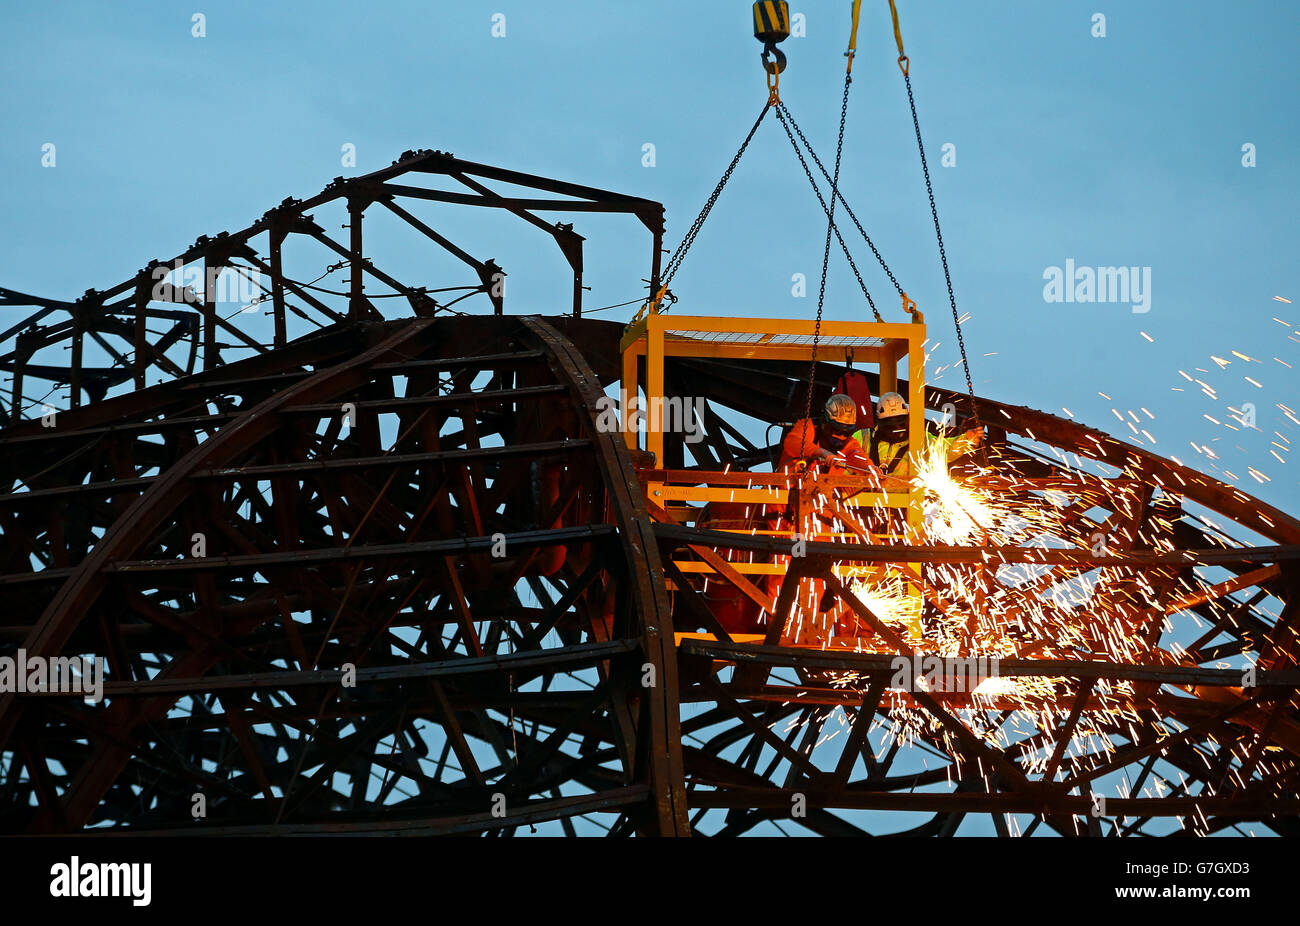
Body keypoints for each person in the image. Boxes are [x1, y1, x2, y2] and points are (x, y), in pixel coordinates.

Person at [858, 391, 984, 479]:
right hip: (863, 503)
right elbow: (844, 457)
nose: (897, 429)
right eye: (891, 425)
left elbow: (943, 450)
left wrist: (966, 440)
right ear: (880, 423)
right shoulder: (864, 438)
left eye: (901, 424)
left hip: (905, 508)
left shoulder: (919, 439)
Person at [779, 394, 878, 474]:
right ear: (825, 423)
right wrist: (822, 453)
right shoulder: (807, 427)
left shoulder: (849, 443)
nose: (842, 435)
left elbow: (859, 457)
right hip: (786, 492)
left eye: (847, 432)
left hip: (823, 494)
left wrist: (869, 467)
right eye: (837, 430)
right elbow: (791, 443)